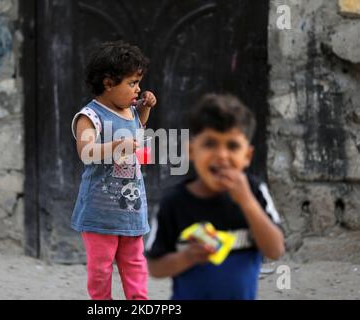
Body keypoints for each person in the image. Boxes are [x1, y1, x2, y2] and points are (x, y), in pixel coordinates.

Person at [145, 93, 284, 300]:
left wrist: (247, 203)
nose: (221, 155)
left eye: (232, 146)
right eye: (210, 144)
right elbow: (155, 267)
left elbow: (275, 250)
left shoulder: (255, 192)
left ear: (247, 156)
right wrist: (187, 257)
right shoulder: (174, 203)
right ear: (191, 151)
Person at [70, 41, 157, 300]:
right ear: (108, 83)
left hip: (131, 208)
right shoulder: (90, 116)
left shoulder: (130, 111)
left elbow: (137, 126)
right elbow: (85, 151)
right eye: (132, 83)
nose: (138, 89)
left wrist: (145, 108)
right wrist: (117, 145)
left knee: (135, 263)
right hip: (100, 211)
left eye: (139, 82)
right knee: (101, 267)